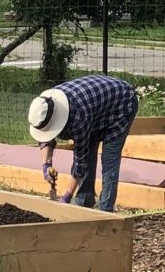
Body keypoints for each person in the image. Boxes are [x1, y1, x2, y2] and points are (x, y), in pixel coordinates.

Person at [29, 74, 140, 212]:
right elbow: (46, 139)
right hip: (95, 107)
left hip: (121, 102)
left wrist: (67, 195)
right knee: (88, 150)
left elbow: (80, 161)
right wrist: (46, 164)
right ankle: (84, 202)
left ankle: (105, 211)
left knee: (109, 159)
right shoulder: (43, 107)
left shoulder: (77, 118)